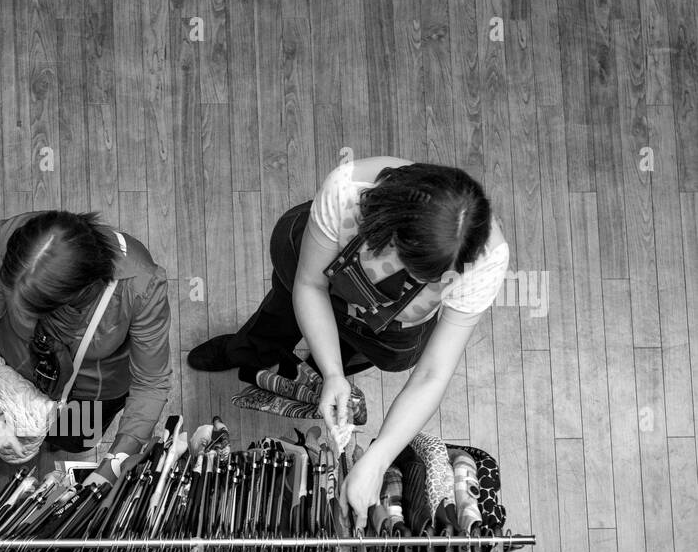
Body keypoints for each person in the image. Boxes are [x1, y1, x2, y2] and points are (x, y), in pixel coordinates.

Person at [187, 156, 509, 518]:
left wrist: (378, 457)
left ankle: (312, 372)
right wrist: (334, 374)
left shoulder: (486, 261)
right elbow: (309, 285)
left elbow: (434, 372)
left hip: (388, 327)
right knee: (278, 316)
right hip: (312, 273)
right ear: (388, 221)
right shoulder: (348, 191)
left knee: (363, 354)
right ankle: (247, 352)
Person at [0, 210, 173, 483]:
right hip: (16, 373)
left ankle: (54, 441)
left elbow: (151, 384)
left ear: (75, 296)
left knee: (72, 439)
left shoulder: (142, 287)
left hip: (90, 395)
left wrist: (111, 467)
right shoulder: (1, 243)